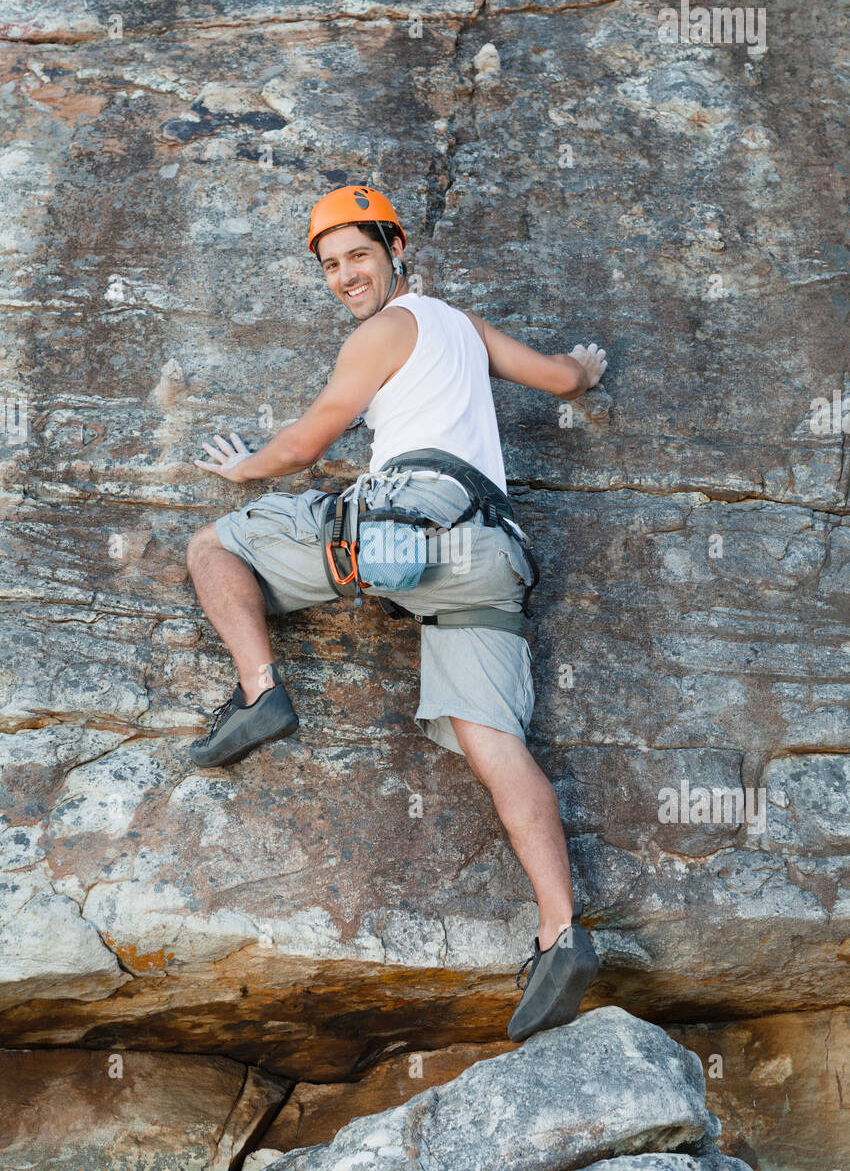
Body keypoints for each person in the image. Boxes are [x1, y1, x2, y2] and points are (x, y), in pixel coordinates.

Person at [186, 184, 607, 1041]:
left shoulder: (380, 331)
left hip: (406, 525)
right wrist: (587, 368)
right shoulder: (462, 327)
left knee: (213, 548)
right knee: (492, 738)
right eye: (331, 264)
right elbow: (563, 378)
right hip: (491, 553)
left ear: (396, 247)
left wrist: (247, 468)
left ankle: (260, 691)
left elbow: (308, 444)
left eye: (358, 256)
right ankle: (561, 932)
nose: (345, 276)